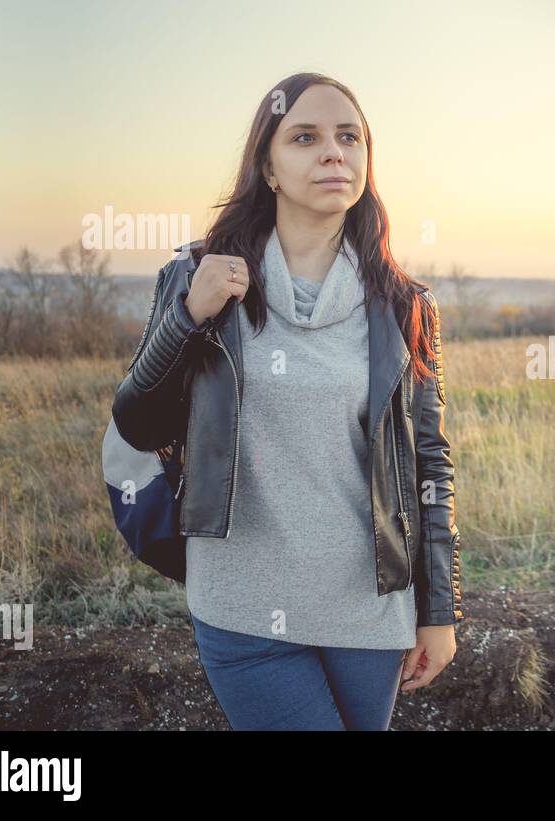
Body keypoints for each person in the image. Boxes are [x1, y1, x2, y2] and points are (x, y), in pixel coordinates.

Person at [114, 72, 463, 730]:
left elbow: (428, 463)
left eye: (349, 137)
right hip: (245, 607)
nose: (334, 152)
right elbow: (137, 422)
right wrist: (188, 317)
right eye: (305, 137)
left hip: (368, 612)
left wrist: (438, 607)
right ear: (268, 168)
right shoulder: (198, 276)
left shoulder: (403, 306)